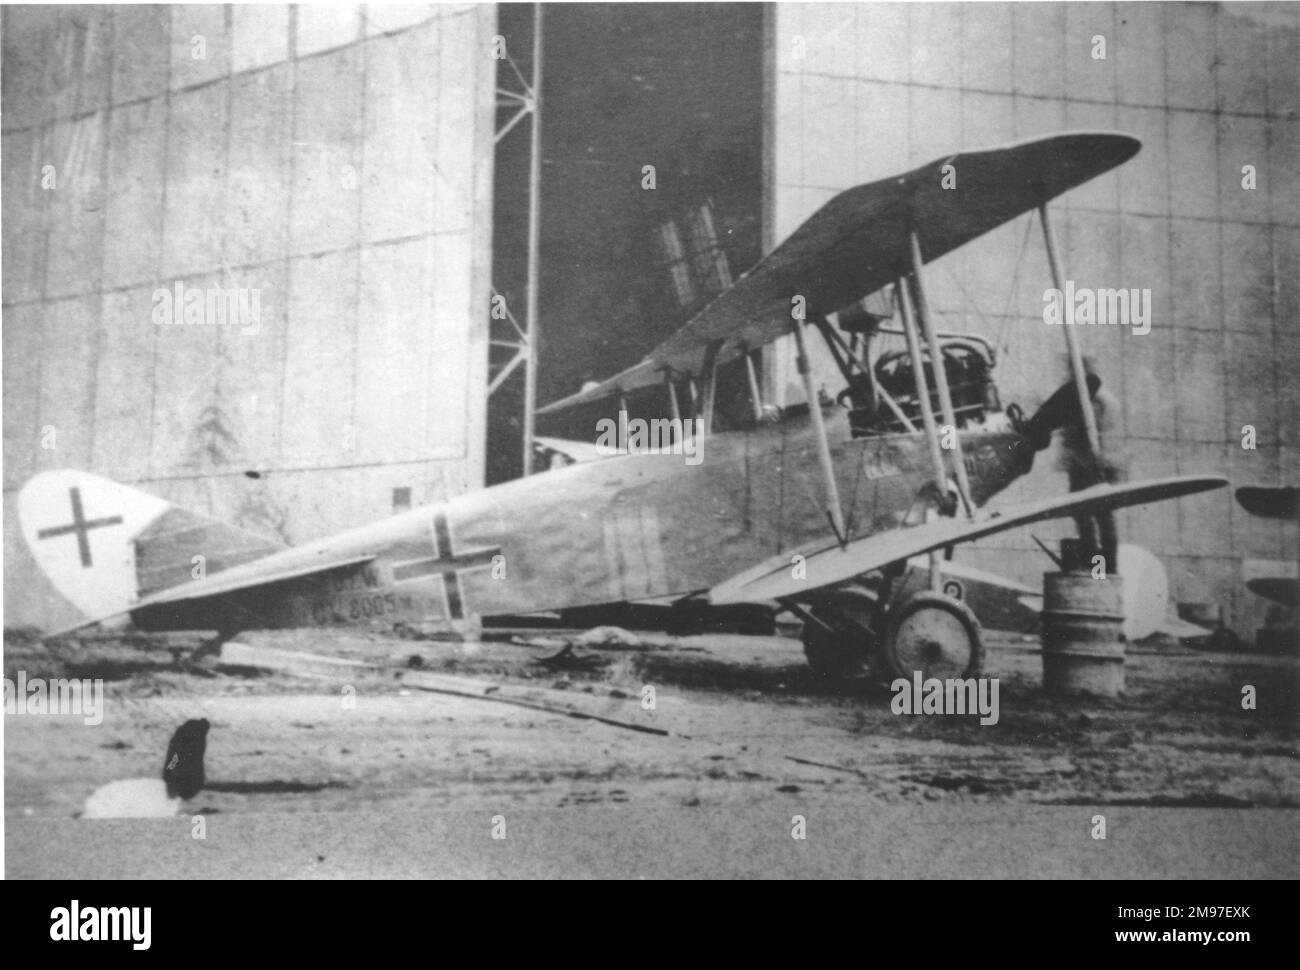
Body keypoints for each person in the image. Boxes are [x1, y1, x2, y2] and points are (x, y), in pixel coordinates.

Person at [1059, 362, 1126, 575]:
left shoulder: (1094, 400)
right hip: (1093, 464)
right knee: (1093, 519)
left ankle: (1100, 569)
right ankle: (1101, 568)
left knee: (1094, 519)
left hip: (1093, 465)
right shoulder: (1099, 398)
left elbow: (1084, 432)